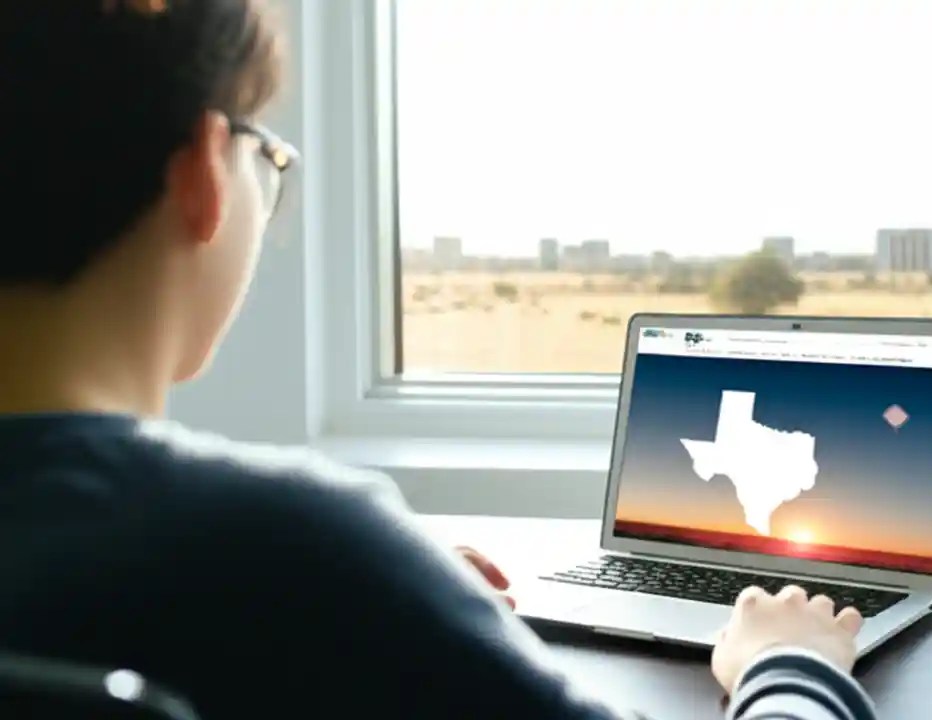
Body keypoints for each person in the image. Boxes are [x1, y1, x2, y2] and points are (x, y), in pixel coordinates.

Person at [0, 2, 879, 718]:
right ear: (202, 175)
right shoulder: (296, 552)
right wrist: (790, 669)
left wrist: (393, 594)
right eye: (265, 155)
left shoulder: (302, 566)